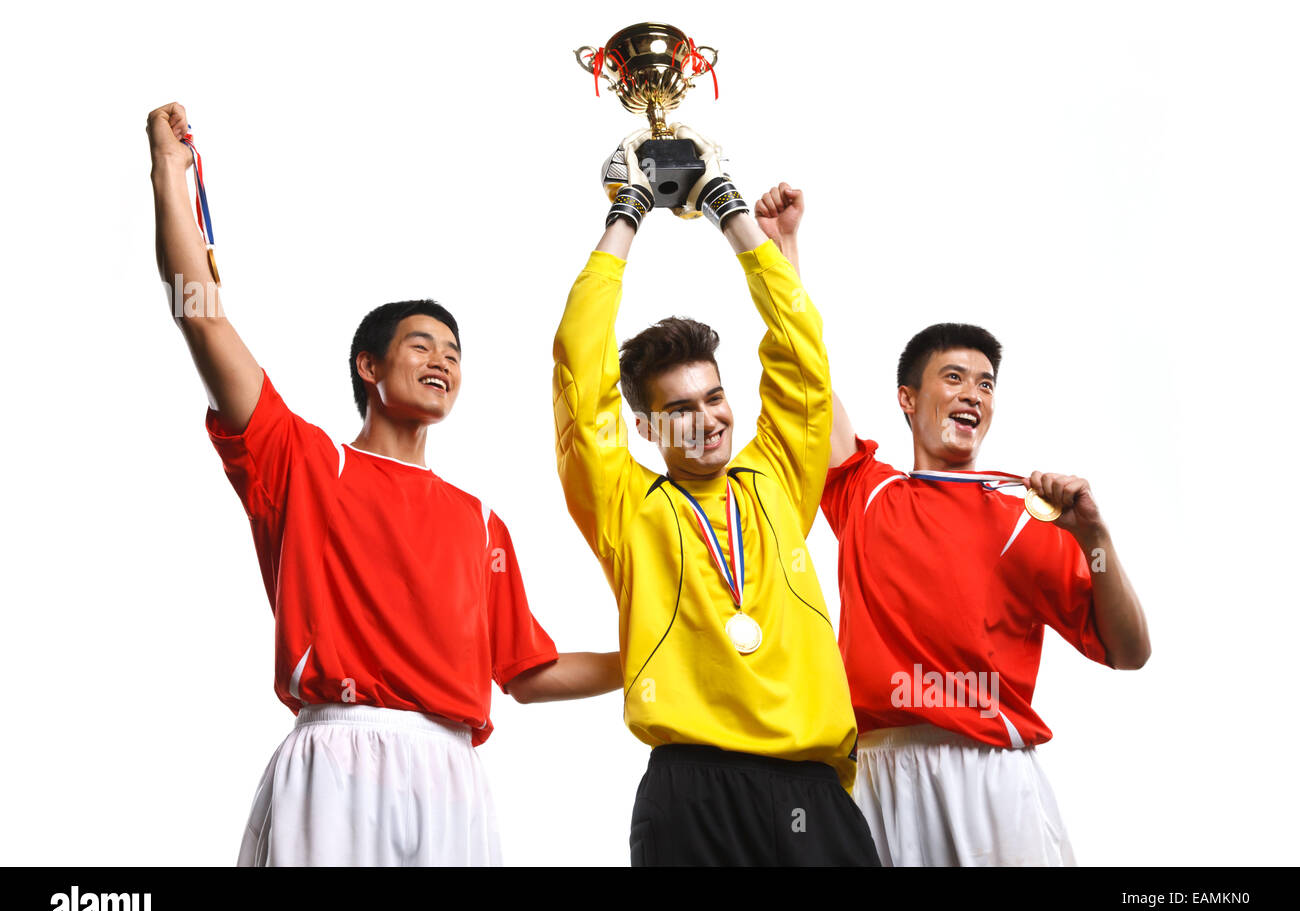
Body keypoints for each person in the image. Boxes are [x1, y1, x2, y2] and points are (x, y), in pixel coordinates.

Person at [148, 102, 620, 866]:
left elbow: (528, 673)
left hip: (452, 772)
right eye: (422, 344)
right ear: (370, 367)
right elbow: (201, 317)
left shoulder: (481, 521)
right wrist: (170, 175)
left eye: (455, 352)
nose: (443, 361)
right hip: (338, 760)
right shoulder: (301, 462)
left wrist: (656, 654)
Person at [762, 193, 1151, 866]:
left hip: (990, 775)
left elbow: (1132, 652)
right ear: (908, 400)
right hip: (881, 770)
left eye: (987, 383)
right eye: (954, 377)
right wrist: (783, 250)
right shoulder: (864, 488)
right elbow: (804, 375)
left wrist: (1095, 537)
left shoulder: (1030, 516)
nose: (975, 393)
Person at [552, 126, 880, 866]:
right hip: (689, 790)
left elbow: (802, 354)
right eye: (681, 408)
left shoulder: (778, 478)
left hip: (811, 789)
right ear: (643, 426)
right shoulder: (624, 506)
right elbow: (580, 366)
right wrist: (626, 215)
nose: (708, 420)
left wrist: (730, 214)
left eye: (716, 398)